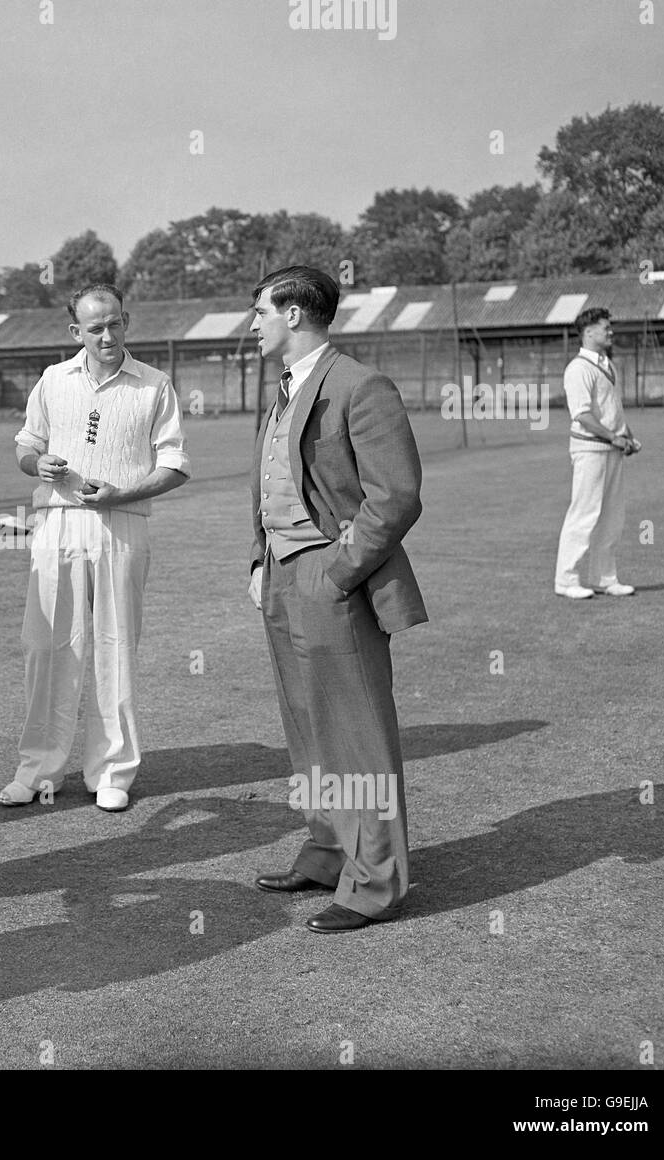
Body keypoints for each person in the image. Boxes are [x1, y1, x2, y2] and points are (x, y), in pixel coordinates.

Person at [247, 266, 426, 933]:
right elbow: (273, 485)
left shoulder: (360, 385)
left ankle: (376, 883)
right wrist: (260, 560)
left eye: (260, 310)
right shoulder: (285, 390)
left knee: (355, 740)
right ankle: (327, 852)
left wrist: (339, 571)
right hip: (282, 578)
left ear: (294, 314)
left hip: (332, 581)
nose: (254, 323)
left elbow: (397, 496)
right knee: (309, 735)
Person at [0, 283, 190, 814]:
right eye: (95, 327)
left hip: (121, 526)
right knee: (47, 647)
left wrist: (122, 493)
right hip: (57, 524)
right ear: (75, 331)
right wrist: (37, 465)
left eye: (115, 324)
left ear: (126, 321)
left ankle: (111, 770)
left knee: (114, 646)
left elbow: (174, 464)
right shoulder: (53, 379)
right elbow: (25, 445)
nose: (107, 335)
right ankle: (37, 768)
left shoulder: (154, 384)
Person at [553, 307, 637, 600]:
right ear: (588, 332)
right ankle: (566, 579)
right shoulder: (578, 368)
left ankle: (604, 577)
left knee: (612, 516)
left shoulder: (608, 365)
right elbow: (583, 415)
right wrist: (614, 437)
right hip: (590, 448)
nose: (610, 331)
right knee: (584, 513)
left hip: (611, 448)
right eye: (606, 327)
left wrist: (626, 436)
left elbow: (611, 409)